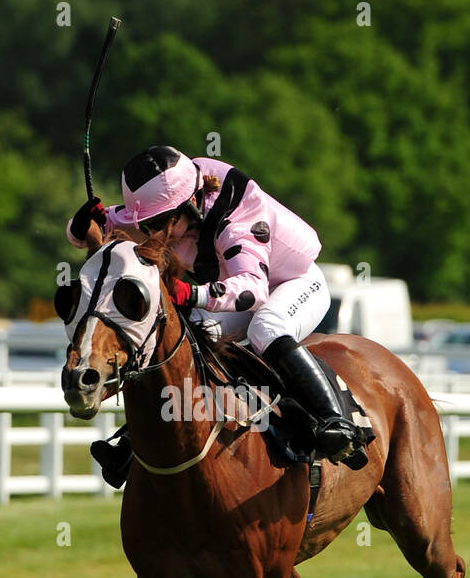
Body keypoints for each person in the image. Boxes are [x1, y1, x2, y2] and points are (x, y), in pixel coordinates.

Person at [67, 145, 367, 484]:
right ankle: (134, 440)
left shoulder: (238, 218)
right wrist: (80, 226)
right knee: (183, 336)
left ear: (191, 204)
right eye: (147, 224)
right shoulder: (166, 209)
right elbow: (100, 228)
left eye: (160, 223)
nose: (153, 233)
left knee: (266, 328)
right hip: (234, 291)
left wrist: (192, 293)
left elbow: (252, 290)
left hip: (294, 283)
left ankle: (336, 422)